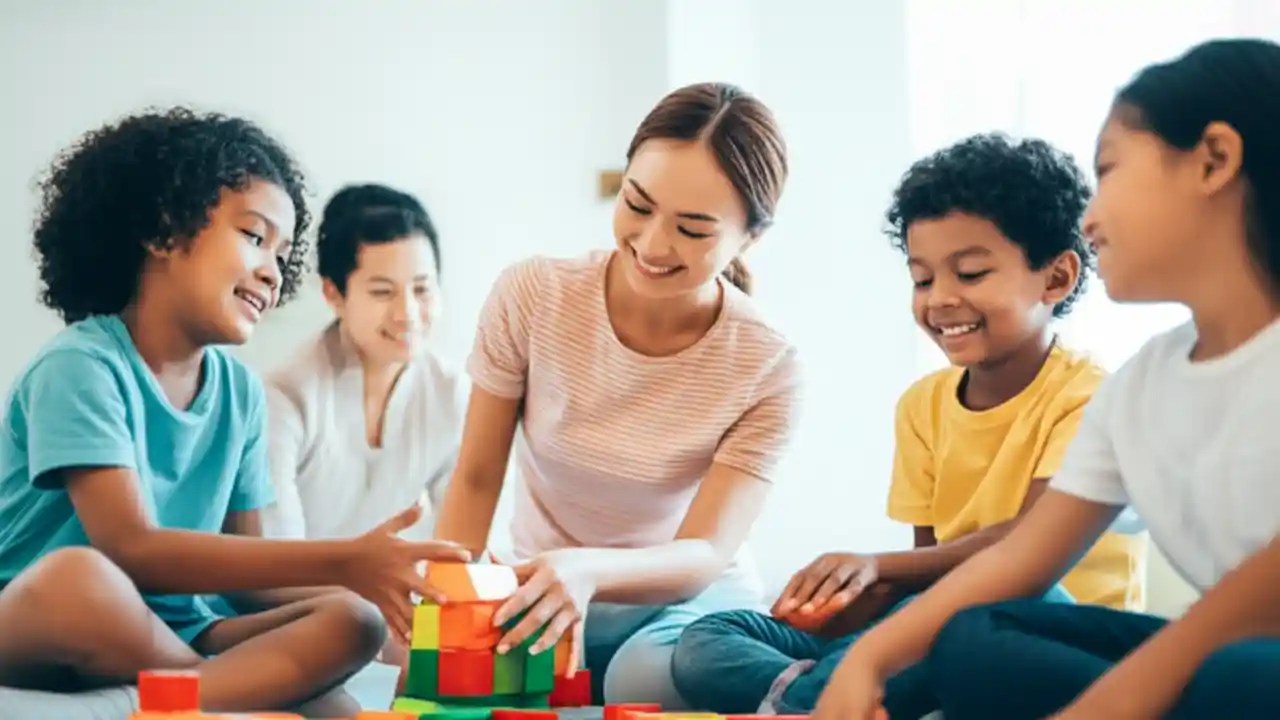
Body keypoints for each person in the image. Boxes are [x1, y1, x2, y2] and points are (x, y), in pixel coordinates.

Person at [812, 37, 1280, 720]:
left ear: (1213, 159)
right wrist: (867, 661)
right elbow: (1019, 558)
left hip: (1249, 663)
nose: (1090, 218)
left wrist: (1122, 697)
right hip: (1218, 665)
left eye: (1110, 170)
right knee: (976, 637)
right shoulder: (1140, 388)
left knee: (1241, 673)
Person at [0, 108, 470, 715]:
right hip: (44, 616)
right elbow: (129, 548)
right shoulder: (82, 366)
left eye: (283, 252)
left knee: (353, 621)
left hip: (180, 629)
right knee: (80, 580)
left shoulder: (240, 393)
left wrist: (370, 587)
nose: (273, 271)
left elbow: (252, 585)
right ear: (164, 231)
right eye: (254, 237)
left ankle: (167, 696)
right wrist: (344, 557)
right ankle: (187, 694)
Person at [671, 133, 1148, 716]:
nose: (940, 299)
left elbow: (1030, 544)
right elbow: (929, 567)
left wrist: (880, 567)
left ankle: (814, 699)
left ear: (1055, 278)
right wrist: (854, 601)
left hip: (1042, 631)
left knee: (980, 613)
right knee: (705, 642)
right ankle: (823, 694)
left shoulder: (1089, 396)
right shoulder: (922, 405)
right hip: (940, 618)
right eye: (922, 279)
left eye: (970, 273)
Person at [429, 81, 801, 707]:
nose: (654, 244)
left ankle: (817, 684)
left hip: (685, 607)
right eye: (638, 203)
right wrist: (450, 597)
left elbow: (707, 551)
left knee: (639, 679)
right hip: (549, 596)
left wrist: (589, 568)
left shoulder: (768, 363)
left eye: (692, 229)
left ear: (750, 238)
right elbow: (475, 475)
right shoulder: (533, 296)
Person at [261, 183, 467, 543]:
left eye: (422, 289)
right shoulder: (285, 395)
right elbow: (272, 557)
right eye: (382, 292)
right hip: (297, 596)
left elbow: (466, 545)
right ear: (333, 293)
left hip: (404, 596)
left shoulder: (454, 393)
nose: (407, 314)